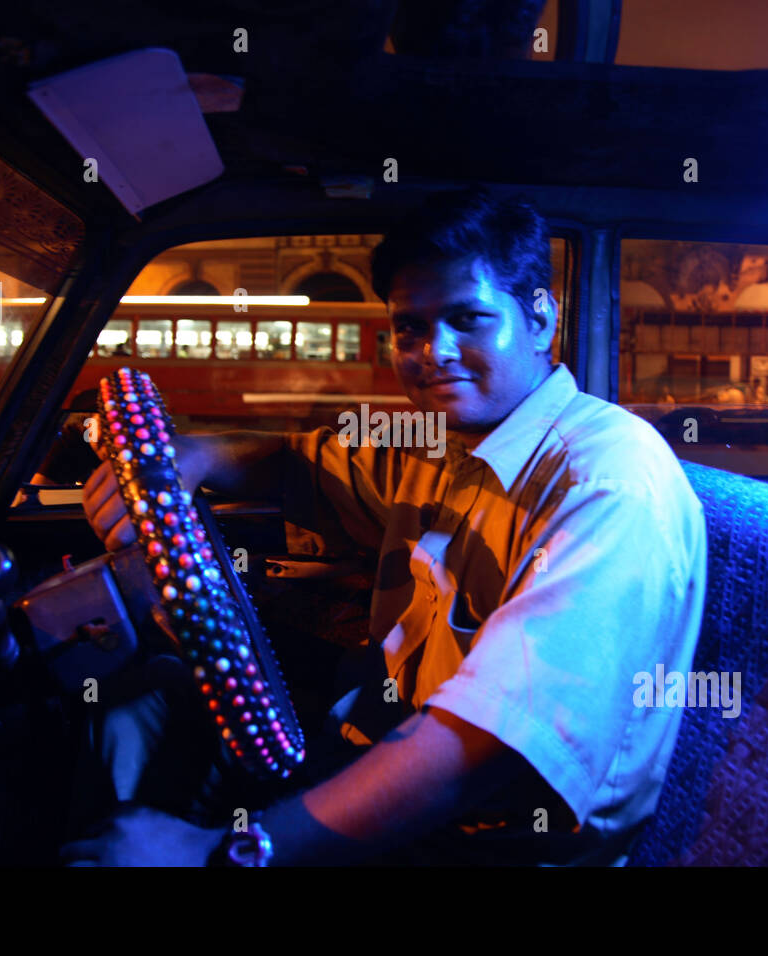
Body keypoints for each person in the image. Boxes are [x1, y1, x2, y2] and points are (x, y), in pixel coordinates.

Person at [66, 187, 708, 866]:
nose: (434, 352)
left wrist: (226, 853)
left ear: (541, 319)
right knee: (146, 701)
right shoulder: (445, 447)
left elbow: (478, 747)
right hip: (379, 751)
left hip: (480, 842)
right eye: (410, 328)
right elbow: (296, 464)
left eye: (467, 319)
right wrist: (190, 455)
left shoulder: (607, 481)